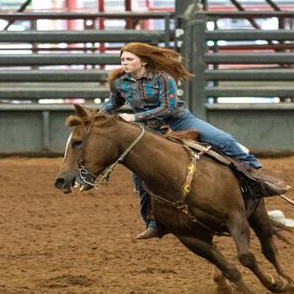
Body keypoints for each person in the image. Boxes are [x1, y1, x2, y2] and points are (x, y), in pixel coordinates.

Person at [100, 42, 267, 240]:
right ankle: (153, 222)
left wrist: (134, 118)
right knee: (140, 174)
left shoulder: (164, 78)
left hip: (179, 120)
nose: (124, 63)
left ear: (143, 61)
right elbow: (113, 103)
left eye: (129, 59)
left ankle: (257, 177)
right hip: (149, 129)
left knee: (223, 139)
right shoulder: (120, 82)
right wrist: (97, 116)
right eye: (122, 60)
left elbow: (168, 108)